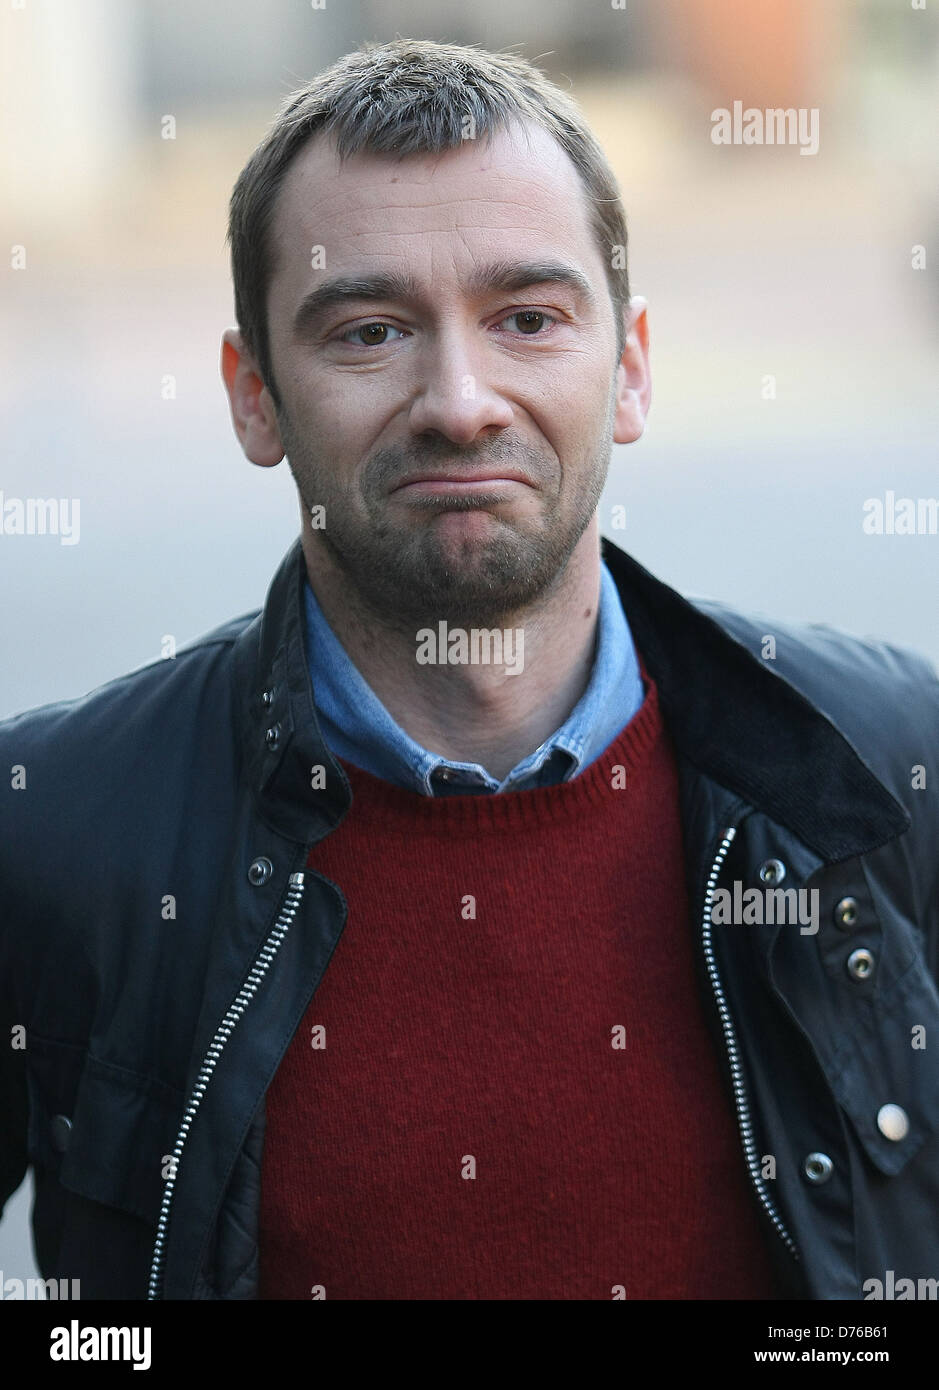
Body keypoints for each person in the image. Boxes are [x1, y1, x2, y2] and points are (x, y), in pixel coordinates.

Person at [1, 37, 937, 1303]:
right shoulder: (49, 825)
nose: (460, 400)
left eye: (529, 319)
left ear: (633, 366)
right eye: (372, 330)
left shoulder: (883, 770)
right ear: (254, 398)